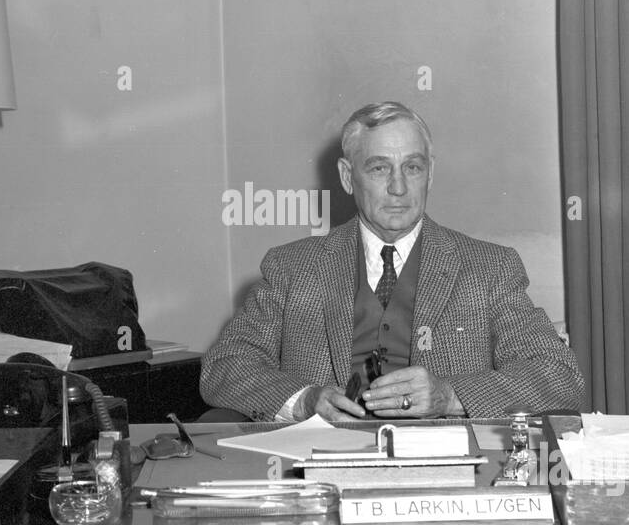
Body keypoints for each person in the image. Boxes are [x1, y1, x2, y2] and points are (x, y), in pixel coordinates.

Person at [200, 101, 584, 421]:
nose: (398, 187)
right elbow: (224, 366)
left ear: (429, 176)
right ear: (348, 177)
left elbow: (560, 374)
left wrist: (450, 396)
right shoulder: (291, 268)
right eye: (379, 168)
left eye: (413, 168)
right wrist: (304, 401)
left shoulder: (489, 268)